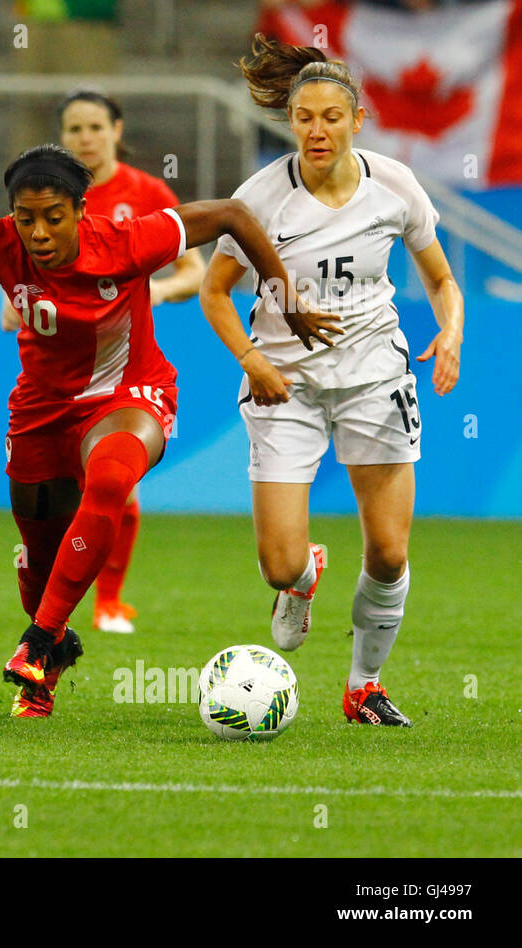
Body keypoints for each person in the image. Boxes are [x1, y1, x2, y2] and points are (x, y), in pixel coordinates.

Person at [0, 143, 335, 718]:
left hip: (129, 395)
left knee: (110, 479)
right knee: (41, 560)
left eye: (53, 218)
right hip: (42, 411)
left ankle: (36, 643)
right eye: (26, 218)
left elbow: (234, 215)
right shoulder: (0, 245)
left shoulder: (128, 240)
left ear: (82, 211)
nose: (38, 232)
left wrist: (285, 298)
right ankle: (54, 652)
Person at [200, 35, 463, 726]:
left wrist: (451, 330)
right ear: (289, 123)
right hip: (285, 383)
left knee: (389, 549)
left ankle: (364, 686)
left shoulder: (394, 185)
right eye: (304, 118)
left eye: (330, 117)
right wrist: (252, 361)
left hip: (375, 376)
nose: (317, 131)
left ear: (356, 120)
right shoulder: (259, 198)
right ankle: (304, 578)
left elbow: (439, 278)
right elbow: (215, 292)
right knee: (280, 567)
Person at [3, 88, 209, 636]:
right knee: (59, 502)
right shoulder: (45, 196)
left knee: (115, 481)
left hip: (123, 365)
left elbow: (195, 270)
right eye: (74, 129)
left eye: (95, 127)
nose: (85, 138)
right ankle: (47, 590)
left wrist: (158, 290)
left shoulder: (145, 192)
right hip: (57, 370)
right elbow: (14, 264)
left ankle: (108, 602)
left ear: (117, 130)